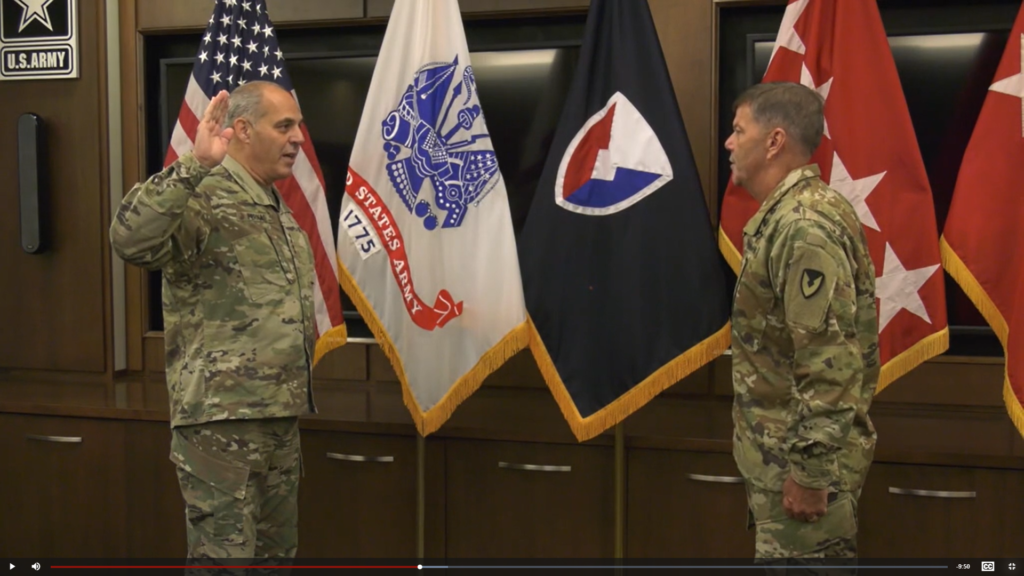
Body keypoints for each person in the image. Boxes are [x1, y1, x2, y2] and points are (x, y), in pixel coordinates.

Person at [110, 81, 317, 563]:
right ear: (242, 129)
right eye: (284, 126)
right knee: (224, 563)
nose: (298, 139)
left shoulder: (275, 207)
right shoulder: (203, 194)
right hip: (221, 425)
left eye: (298, 127)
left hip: (278, 420)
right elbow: (129, 240)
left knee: (273, 561)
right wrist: (194, 165)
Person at [724, 81, 880, 563]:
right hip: (781, 462)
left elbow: (829, 362)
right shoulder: (793, 215)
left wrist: (810, 475)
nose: (728, 143)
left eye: (738, 130)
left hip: (802, 472)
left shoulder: (803, 226)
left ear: (774, 141)